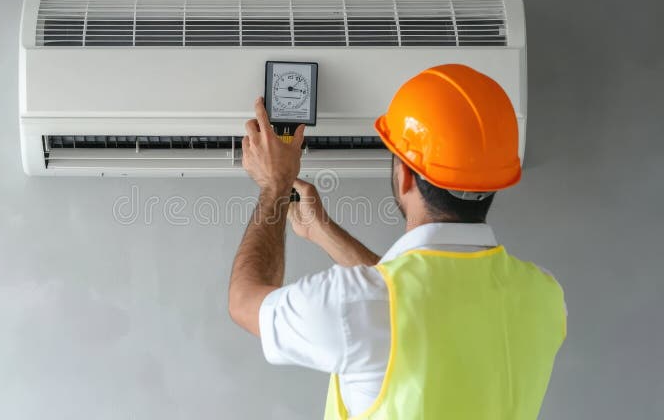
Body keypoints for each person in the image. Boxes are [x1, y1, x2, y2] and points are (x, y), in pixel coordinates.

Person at [228, 64, 567, 419]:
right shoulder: (544, 298)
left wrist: (275, 186)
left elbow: (243, 301)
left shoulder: (353, 304)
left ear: (404, 174)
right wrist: (321, 230)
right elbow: (418, 299)